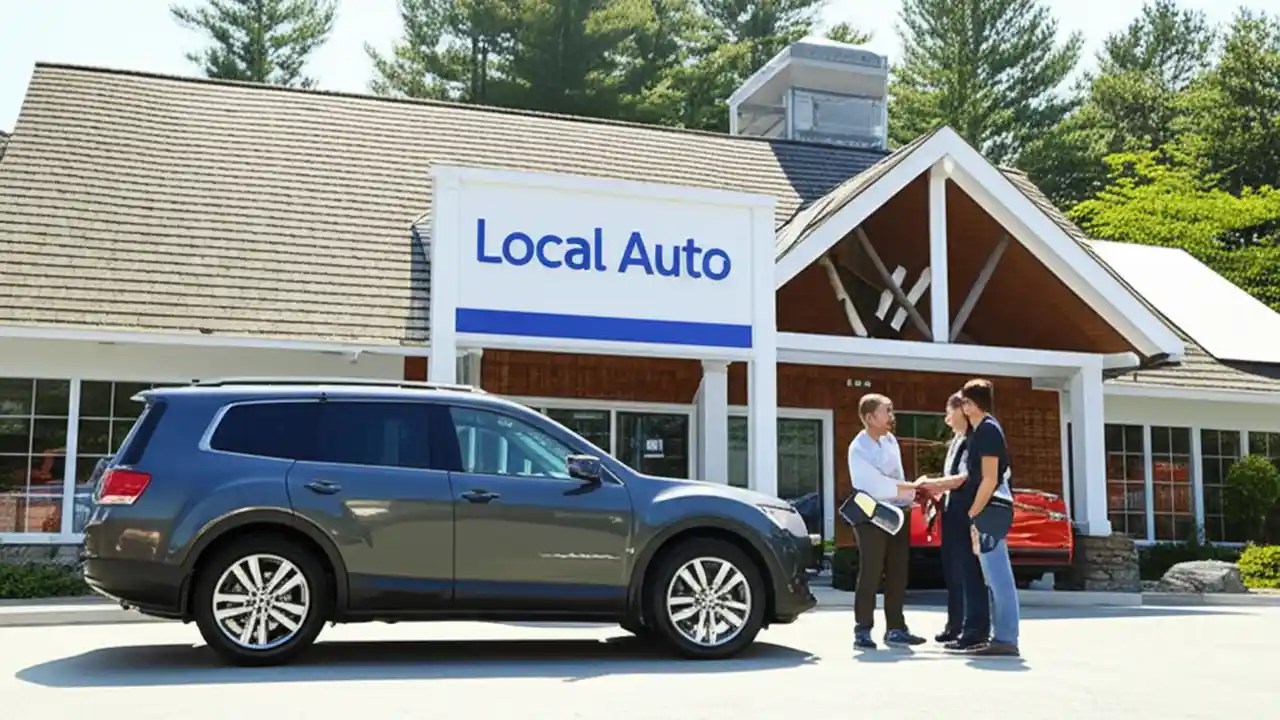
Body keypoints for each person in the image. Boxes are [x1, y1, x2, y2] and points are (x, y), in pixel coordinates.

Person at [847, 392, 926, 649]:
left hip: (896, 513)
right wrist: (909, 488)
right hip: (871, 515)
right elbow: (872, 485)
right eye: (887, 411)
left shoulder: (891, 440)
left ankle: (896, 628)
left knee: (897, 572)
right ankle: (863, 629)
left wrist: (907, 500)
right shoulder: (858, 448)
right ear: (870, 417)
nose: (892, 416)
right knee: (870, 571)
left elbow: (897, 475)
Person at [914, 392, 991, 650]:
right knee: (954, 571)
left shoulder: (976, 439)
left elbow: (963, 478)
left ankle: (975, 630)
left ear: (963, 411)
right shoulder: (958, 440)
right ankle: (956, 625)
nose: (947, 419)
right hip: (952, 510)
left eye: (951, 412)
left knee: (970, 570)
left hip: (967, 511)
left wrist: (932, 484)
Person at [959, 378, 1020, 657]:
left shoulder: (988, 431)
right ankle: (1001, 635)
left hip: (990, 509)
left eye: (965, 401)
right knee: (992, 576)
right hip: (985, 509)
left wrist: (973, 511)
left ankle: (1006, 638)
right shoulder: (979, 430)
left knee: (998, 577)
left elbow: (990, 477)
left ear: (973, 404)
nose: (962, 406)